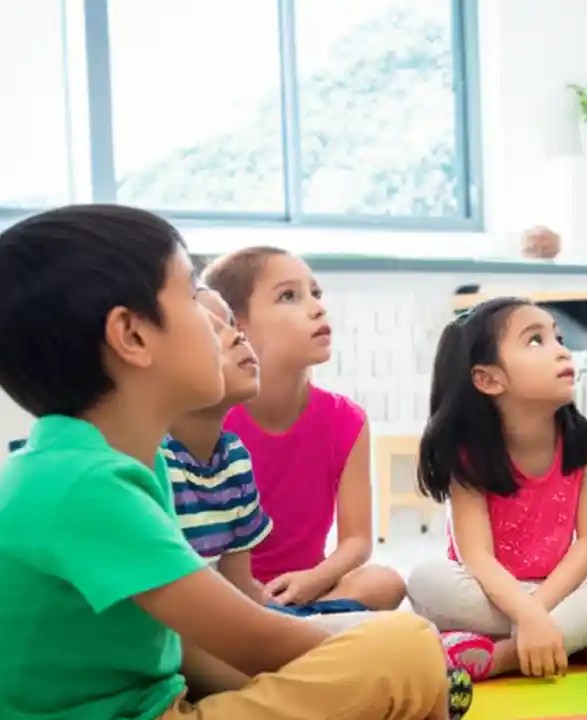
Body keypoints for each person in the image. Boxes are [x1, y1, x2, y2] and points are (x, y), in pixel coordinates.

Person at [0, 205, 449, 719]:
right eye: (193, 295)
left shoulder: (114, 464)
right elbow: (257, 641)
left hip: (164, 699)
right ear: (133, 336)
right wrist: (381, 667)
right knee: (406, 645)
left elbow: (185, 649)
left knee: (395, 651)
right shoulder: (82, 483)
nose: (218, 321)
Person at [407, 297, 587, 681]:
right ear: (489, 379)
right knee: (426, 581)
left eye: (557, 338)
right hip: (490, 592)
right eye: (535, 340)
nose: (561, 350)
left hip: (559, 588)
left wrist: (536, 612)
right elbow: (475, 557)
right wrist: (528, 616)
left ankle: (504, 655)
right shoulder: (469, 456)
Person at [202, 247, 405, 613]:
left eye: (316, 293)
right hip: (230, 595)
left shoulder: (347, 419)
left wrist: (314, 579)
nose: (316, 307)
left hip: (308, 592)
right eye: (288, 296)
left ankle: (286, 629)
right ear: (236, 325)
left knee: (384, 583)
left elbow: (357, 540)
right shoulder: (212, 418)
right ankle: (290, 632)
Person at [163, 288, 272, 603]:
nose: (240, 338)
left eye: (234, 327)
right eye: (213, 331)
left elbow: (241, 587)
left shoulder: (234, 458)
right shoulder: (153, 462)